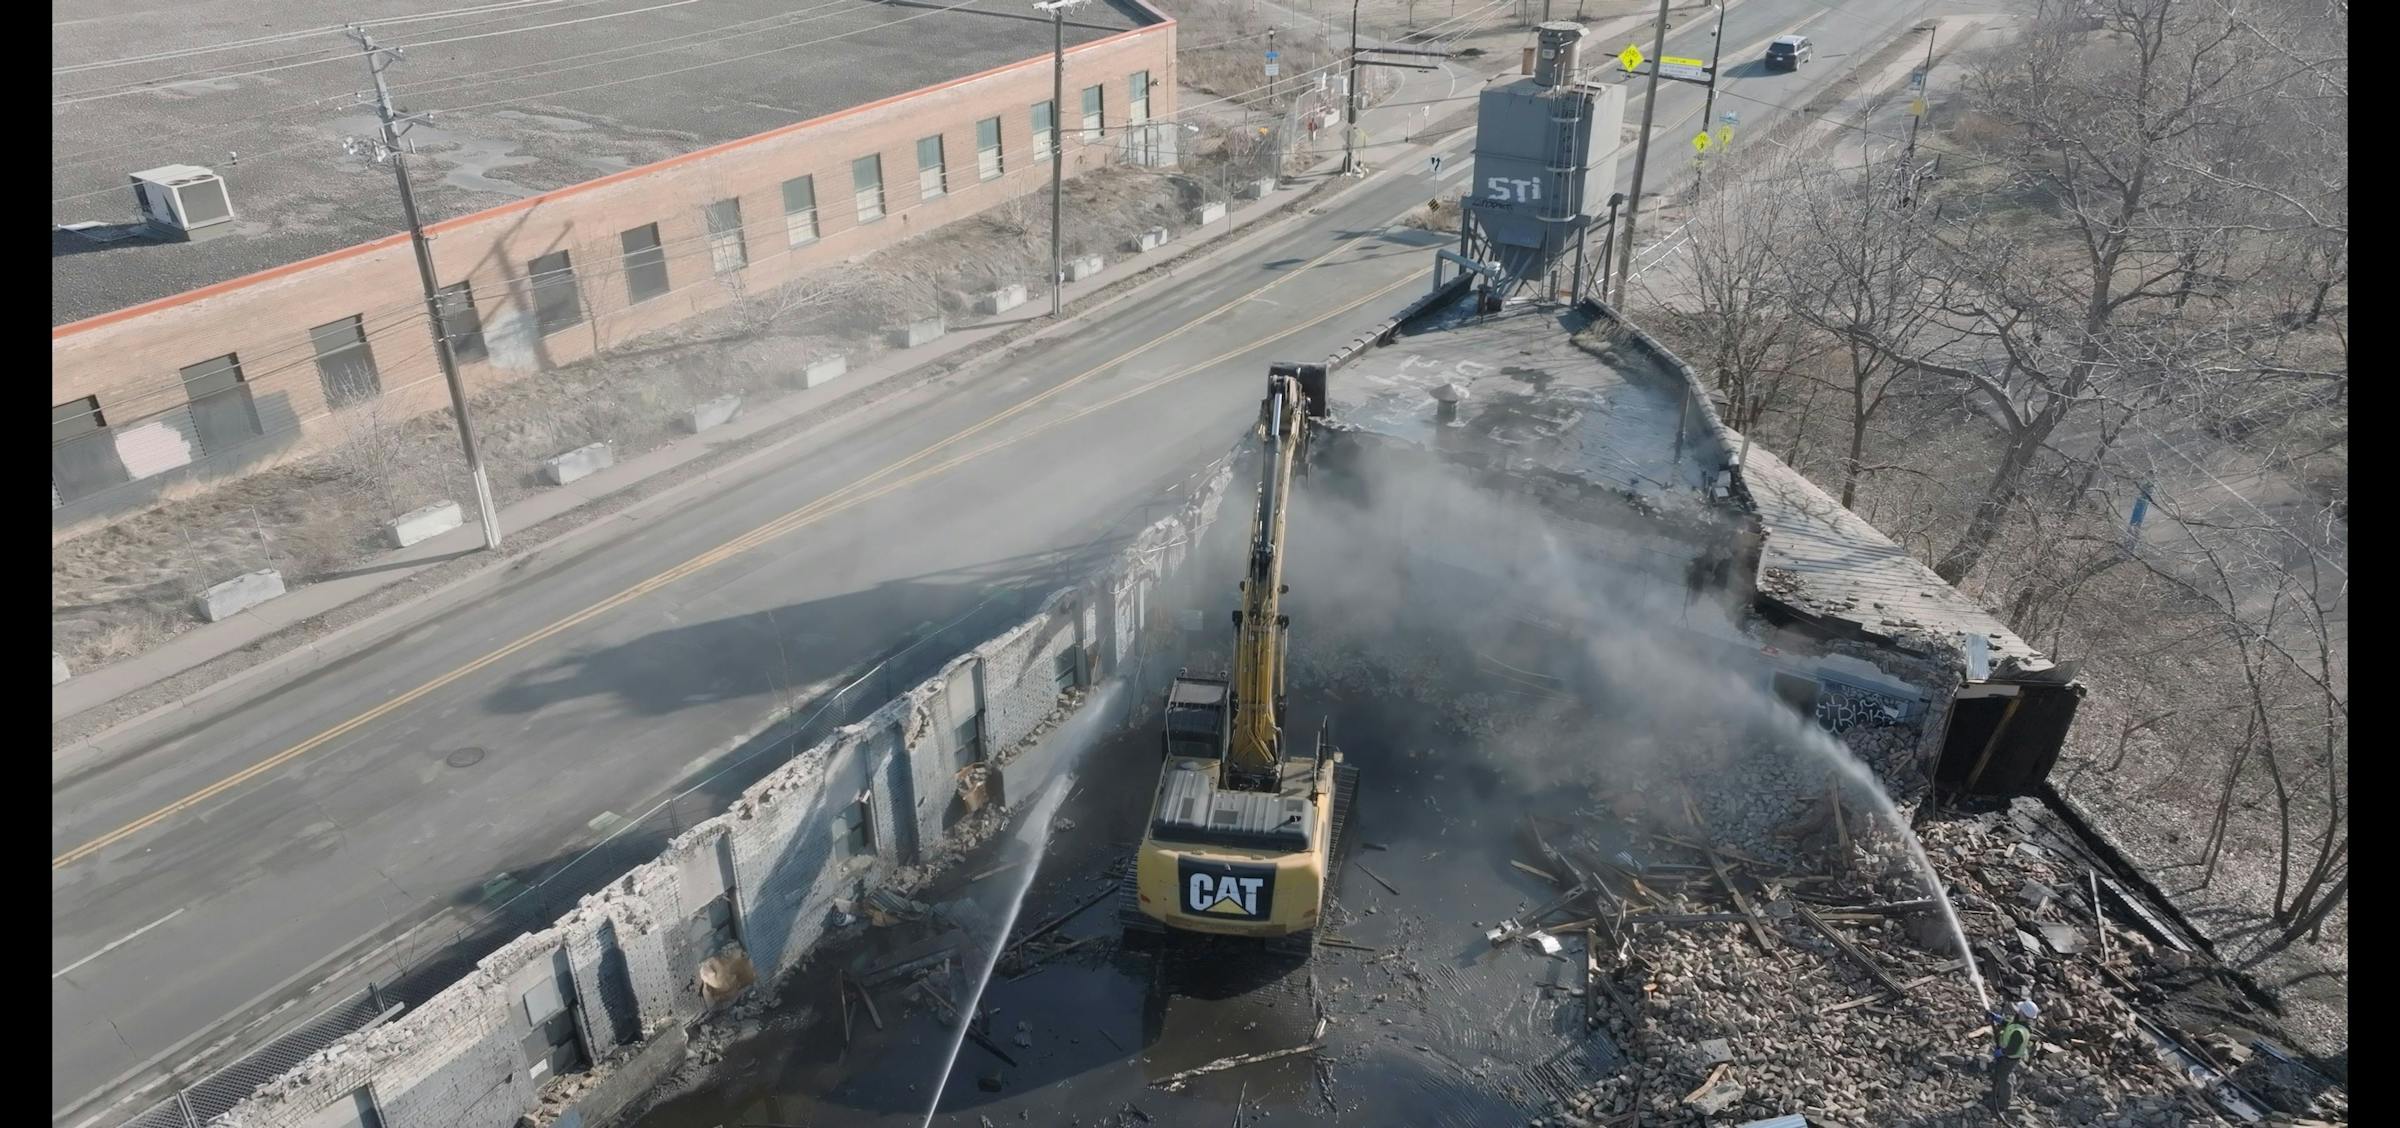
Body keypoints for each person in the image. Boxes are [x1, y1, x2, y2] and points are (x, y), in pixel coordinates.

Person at [1987, 999, 2039, 1117]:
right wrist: (1997, 1018)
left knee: (2004, 1078)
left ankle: (2003, 1102)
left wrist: (2001, 1052)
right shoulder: (2019, 1022)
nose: (2017, 1010)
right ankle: (2000, 1092)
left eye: (2020, 1010)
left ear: (2023, 1013)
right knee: (2005, 1075)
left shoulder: (2019, 1032)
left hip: (2008, 1058)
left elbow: (2012, 1049)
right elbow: (2008, 1023)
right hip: (2008, 1057)